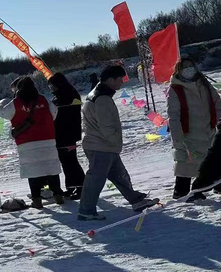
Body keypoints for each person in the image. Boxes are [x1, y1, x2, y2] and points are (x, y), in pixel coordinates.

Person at [78, 65, 159, 220]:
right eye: (120, 79)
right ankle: (86, 210)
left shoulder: (97, 94)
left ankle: (137, 201)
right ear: (110, 80)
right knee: (96, 179)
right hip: (101, 146)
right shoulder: (101, 98)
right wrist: (115, 142)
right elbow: (107, 126)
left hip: (103, 145)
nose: (122, 82)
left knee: (120, 176)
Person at [0, 77, 65, 209]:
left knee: (33, 172)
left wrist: (1, 103)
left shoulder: (16, 102)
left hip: (27, 142)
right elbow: (54, 113)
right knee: (51, 170)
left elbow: (3, 112)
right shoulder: (43, 99)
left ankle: (37, 200)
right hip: (48, 139)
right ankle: (58, 196)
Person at [167, 57, 221, 200]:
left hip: (208, 130)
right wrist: (177, 138)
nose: (189, 69)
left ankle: (214, 186)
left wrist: (219, 119)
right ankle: (181, 192)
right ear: (179, 70)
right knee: (186, 163)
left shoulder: (203, 83)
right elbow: (173, 116)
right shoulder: (175, 89)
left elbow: (217, 102)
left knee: (211, 161)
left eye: (191, 66)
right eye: (185, 67)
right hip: (188, 133)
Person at [48, 73, 86, 199]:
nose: (51, 89)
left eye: (52, 86)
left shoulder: (69, 96)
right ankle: (71, 187)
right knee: (65, 162)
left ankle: (81, 186)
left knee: (71, 162)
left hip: (67, 133)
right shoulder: (60, 96)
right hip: (61, 134)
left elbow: (63, 114)